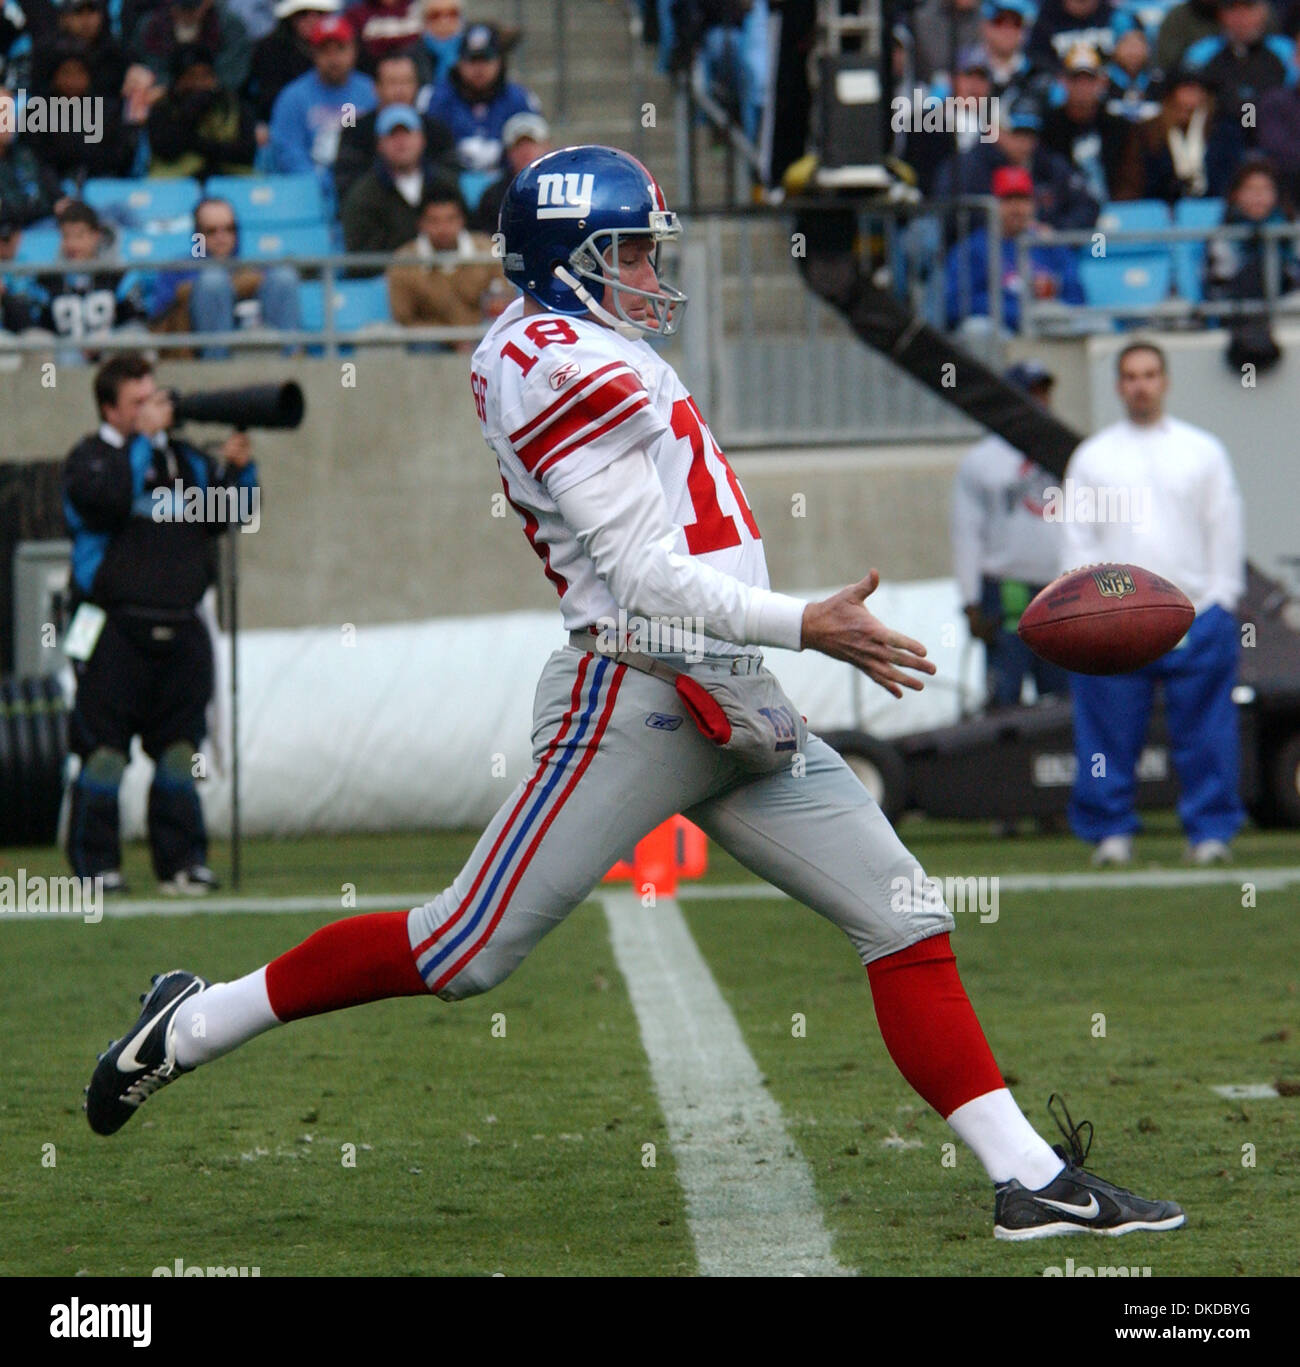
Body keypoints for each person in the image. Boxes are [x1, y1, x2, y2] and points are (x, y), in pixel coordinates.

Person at [81, 145, 1187, 1252]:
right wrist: (809, 619)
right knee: (463, 949)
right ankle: (193, 1019)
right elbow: (646, 574)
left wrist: (778, 635)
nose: (651, 271)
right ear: (566, 262)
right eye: (630, 251)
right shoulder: (554, 362)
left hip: (726, 687)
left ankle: (1029, 1177)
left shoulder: (577, 344)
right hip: (636, 688)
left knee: (900, 912)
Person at [61, 352, 259, 894]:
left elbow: (232, 514)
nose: (154, 408)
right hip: (112, 632)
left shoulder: (187, 461)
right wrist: (143, 445)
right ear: (110, 407)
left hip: (182, 629)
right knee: (103, 754)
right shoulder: (90, 460)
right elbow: (107, 503)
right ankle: (95, 867)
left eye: (154, 397)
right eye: (138, 402)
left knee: (179, 753)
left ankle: (181, 864)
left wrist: (240, 470)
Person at [1060, 340, 1244, 867]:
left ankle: (1210, 834)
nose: (1140, 384)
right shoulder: (1093, 457)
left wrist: (1221, 599)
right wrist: (1089, 611)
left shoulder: (1202, 451)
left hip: (1196, 613)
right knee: (1105, 733)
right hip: (1113, 621)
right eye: (1131, 376)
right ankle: (1110, 833)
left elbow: (1223, 528)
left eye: (1150, 374)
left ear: (1164, 380)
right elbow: (1078, 540)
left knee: (1207, 731)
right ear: (1119, 385)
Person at [951, 360, 1070, 708]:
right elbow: (965, 533)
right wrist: (970, 601)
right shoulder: (982, 460)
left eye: (1043, 391)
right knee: (1004, 700)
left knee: (1063, 700)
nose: (1038, 401)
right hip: (1005, 590)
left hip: (1059, 590)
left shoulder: (1068, 451)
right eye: (1029, 392)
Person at [149, 195, 301, 354]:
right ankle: (216, 371)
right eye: (211, 231)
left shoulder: (254, 269)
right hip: (195, 356)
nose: (222, 237)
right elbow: (161, 320)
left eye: (229, 229)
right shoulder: (177, 270)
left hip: (254, 348)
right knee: (213, 282)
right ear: (197, 235)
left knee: (284, 277)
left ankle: (289, 364)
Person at [944, 164, 1085, 330]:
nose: (1017, 208)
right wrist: (1017, 311)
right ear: (992, 204)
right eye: (1008, 200)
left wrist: (1049, 307)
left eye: (1023, 200)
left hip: (1049, 327)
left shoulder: (1048, 244)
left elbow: (1077, 296)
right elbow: (955, 304)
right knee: (977, 329)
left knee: (1095, 323)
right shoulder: (973, 248)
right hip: (1001, 332)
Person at [421, 20, 542, 201]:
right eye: (472, 60)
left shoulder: (520, 99)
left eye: (486, 59)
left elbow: (534, 153)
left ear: (499, 61)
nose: (479, 68)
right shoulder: (435, 99)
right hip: (448, 192)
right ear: (459, 62)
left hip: (508, 190)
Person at [29, 200, 152, 362]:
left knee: (133, 340)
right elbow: (40, 325)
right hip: (63, 360)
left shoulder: (118, 275)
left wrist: (104, 339)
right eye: (66, 236)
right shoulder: (49, 279)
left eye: (79, 235)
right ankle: (49, 387)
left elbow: (135, 321)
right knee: (56, 351)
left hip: (111, 358)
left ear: (96, 236)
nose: (72, 244)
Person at [333, 47, 454, 207]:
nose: (400, 90)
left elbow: (452, 180)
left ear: (417, 86)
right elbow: (346, 184)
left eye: (406, 81)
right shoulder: (355, 130)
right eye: (392, 82)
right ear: (376, 88)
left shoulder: (436, 129)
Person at [340, 101, 458, 255]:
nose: (401, 142)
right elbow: (360, 255)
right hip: (388, 276)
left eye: (407, 133)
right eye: (392, 135)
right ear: (379, 144)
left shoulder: (445, 183)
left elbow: (466, 233)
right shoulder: (363, 195)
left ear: (422, 139)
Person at [268, 11, 376, 180]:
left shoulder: (371, 92)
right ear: (314, 53)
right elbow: (288, 151)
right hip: (308, 189)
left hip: (361, 186)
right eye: (325, 50)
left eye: (340, 49)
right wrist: (318, 181)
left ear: (353, 51)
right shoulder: (293, 97)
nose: (334, 59)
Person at [386, 180, 499, 338]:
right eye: (434, 221)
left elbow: (503, 301)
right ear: (421, 223)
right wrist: (450, 338)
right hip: (430, 343)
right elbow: (405, 320)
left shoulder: (488, 251)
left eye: (451, 219)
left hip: (483, 337)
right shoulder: (404, 262)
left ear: (462, 220)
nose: (443, 229)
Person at [1110, 64, 1241, 200]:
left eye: (1197, 89)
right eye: (1186, 88)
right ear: (1172, 94)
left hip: (1214, 207)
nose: (1192, 96)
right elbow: (1133, 178)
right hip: (1157, 208)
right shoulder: (1148, 132)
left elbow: (1231, 175)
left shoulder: (1222, 131)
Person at [1180, 0, 1295, 148]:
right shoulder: (1202, 53)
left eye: (1248, 8)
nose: (1240, 17)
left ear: (1263, 12)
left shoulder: (1285, 51)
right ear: (1221, 14)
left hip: (1275, 142)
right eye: (1232, 9)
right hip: (1216, 141)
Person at [147, 42, 258, 177]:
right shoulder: (163, 107)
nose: (199, 83)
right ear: (178, 81)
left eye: (206, 75)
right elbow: (167, 149)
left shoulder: (234, 105)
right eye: (192, 76)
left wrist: (195, 144)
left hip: (229, 177)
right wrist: (191, 112)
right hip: (176, 180)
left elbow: (245, 153)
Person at [1040, 43, 1136, 201]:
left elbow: (1129, 177)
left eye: (1089, 79)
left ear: (1101, 82)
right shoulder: (1049, 127)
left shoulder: (1118, 127)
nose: (1083, 87)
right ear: (1063, 82)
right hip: (1066, 211)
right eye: (1076, 79)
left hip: (1116, 209)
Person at [1202, 156, 1300, 301]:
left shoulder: (1290, 226)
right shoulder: (1224, 233)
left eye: (1265, 188)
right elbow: (1219, 281)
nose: (1258, 195)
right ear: (1236, 194)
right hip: (1240, 306)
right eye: (1250, 188)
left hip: (1287, 304)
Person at [131, 0, 253, 93]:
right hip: (165, 101)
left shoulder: (229, 27)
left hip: (216, 100)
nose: (187, 14)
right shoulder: (151, 28)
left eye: (193, 8)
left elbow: (232, 73)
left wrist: (205, 85)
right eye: (181, 7)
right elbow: (149, 67)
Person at [244, 0, 335, 124]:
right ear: (291, 18)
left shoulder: (344, 49)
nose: (312, 19)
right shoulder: (270, 50)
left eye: (320, 13)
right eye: (303, 13)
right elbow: (267, 101)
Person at [468, 109, 551, 234]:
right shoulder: (493, 197)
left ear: (547, 146)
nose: (525, 151)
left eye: (532, 144)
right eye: (518, 145)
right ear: (508, 152)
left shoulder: (564, 190)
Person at [412, 0, 463, 87]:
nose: (444, 21)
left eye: (452, 14)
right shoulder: (414, 54)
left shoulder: (469, 49)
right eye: (435, 15)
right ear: (425, 19)